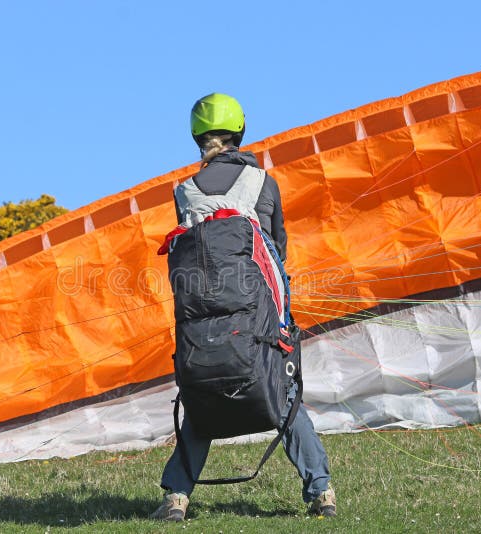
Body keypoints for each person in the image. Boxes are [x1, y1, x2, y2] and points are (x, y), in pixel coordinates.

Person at [150, 93, 335, 522]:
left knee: (202, 402)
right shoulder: (263, 183)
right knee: (284, 399)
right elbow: (277, 249)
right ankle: (321, 492)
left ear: (196, 135)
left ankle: (176, 498)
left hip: (201, 329)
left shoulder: (184, 192)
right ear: (240, 130)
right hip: (257, 321)